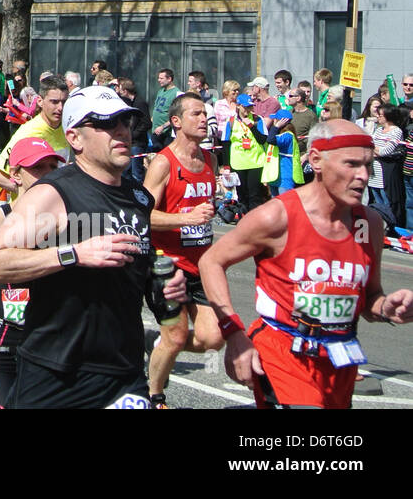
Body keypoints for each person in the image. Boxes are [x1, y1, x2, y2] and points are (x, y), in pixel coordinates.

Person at [0, 85, 186, 408]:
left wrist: (161, 280)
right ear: (75, 138)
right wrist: (74, 254)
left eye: (124, 121)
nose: (121, 131)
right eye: (106, 123)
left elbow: (136, 265)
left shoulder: (138, 197)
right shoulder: (54, 193)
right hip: (57, 373)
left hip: (124, 373)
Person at [200, 119, 413, 408]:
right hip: (282, 352)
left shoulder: (370, 224)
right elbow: (211, 261)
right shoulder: (277, 216)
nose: (363, 176)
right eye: (351, 164)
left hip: (339, 358)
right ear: (316, 160)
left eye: (368, 165)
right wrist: (233, 332)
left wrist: (387, 308)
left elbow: (370, 298)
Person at [144, 93, 225, 407]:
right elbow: (144, 215)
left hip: (201, 263)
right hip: (167, 264)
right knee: (177, 336)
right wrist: (186, 218)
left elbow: (204, 204)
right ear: (176, 122)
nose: (204, 119)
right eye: (196, 113)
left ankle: (157, 341)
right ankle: (155, 395)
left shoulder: (209, 160)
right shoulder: (164, 162)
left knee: (212, 338)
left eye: (205, 113)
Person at [0, 136, 66, 406]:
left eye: (52, 167)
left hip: (49, 341)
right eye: (38, 169)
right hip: (2, 343)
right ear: (15, 174)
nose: (47, 175)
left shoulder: (64, 220)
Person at [0, 75, 70, 200]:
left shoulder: (68, 128)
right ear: (40, 101)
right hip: (29, 212)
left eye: (64, 102)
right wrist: (28, 193)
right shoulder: (28, 132)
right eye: (54, 102)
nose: (60, 108)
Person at [150, 67, 178, 151]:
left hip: (166, 134)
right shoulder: (161, 90)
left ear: (169, 79)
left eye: (161, 78)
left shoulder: (176, 93)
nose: (159, 80)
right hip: (155, 131)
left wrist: (163, 126)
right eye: (158, 78)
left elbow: (176, 115)